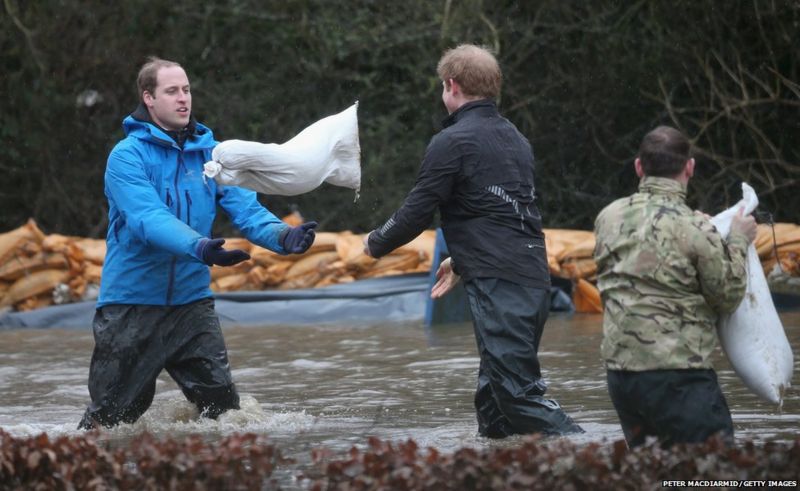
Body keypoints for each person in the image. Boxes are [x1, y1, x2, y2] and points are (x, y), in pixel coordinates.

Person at [78, 57, 318, 429]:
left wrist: (283, 236)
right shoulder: (126, 157)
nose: (183, 99)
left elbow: (247, 210)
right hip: (132, 306)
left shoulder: (213, 154)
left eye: (186, 89)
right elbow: (147, 219)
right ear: (149, 98)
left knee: (227, 416)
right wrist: (200, 247)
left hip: (192, 307)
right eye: (171, 91)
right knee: (111, 422)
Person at [363, 44, 583, 438]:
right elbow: (502, 211)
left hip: (503, 284)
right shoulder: (516, 138)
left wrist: (374, 243)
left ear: (452, 85)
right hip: (530, 278)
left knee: (517, 395)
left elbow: (416, 211)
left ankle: (598, 457)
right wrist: (461, 261)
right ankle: (498, 467)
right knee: (493, 401)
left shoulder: (452, 142)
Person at [593, 125, 757, 447]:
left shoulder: (607, 217)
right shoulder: (694, 227)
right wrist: (736, 239)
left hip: (621, 375)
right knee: (714, 473)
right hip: (678, 374)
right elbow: (728, 296)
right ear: (690, 167)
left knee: (650, 474)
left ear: (639, 167)